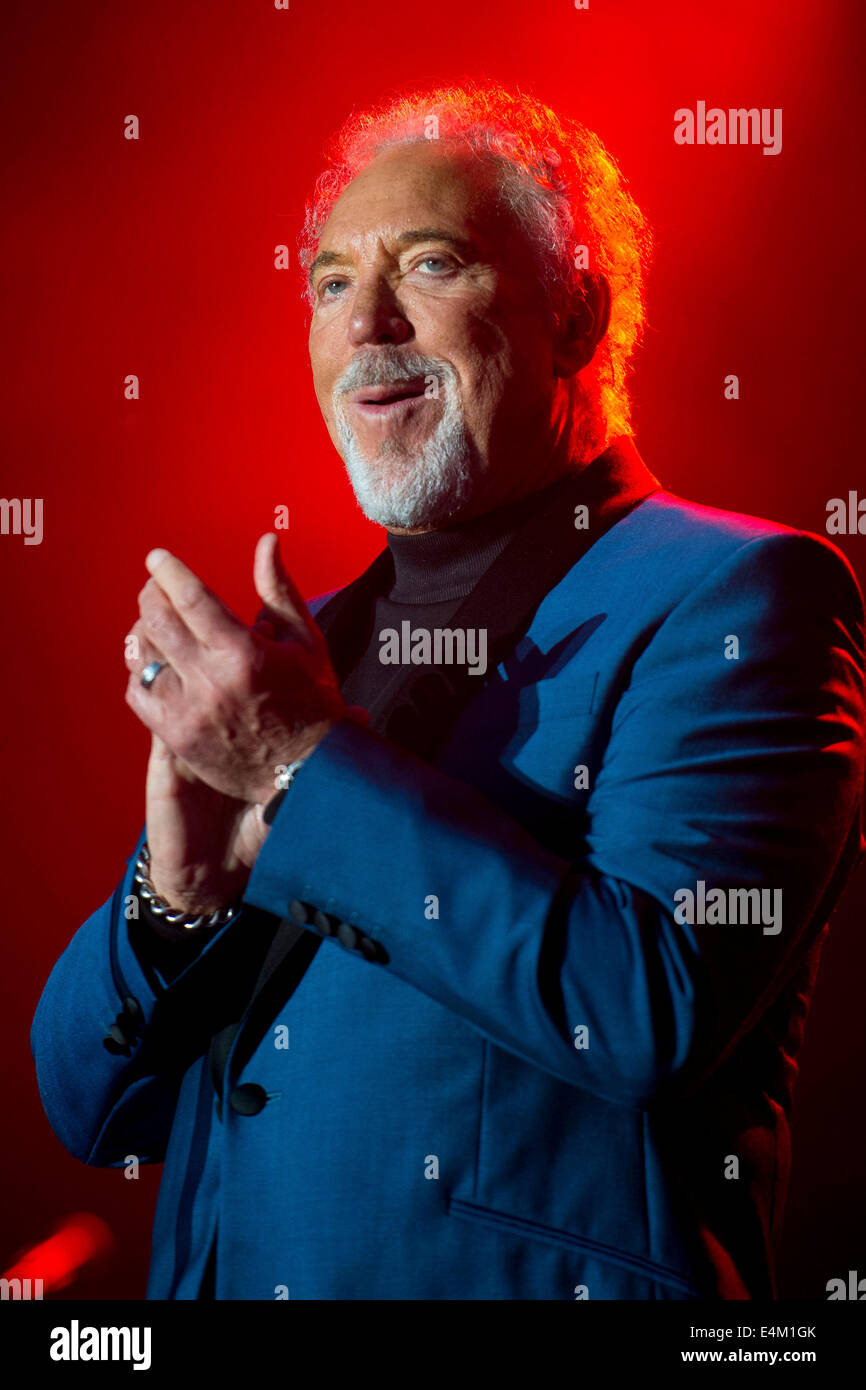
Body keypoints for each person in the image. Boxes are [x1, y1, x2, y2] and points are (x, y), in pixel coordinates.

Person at [32, 81, 865, 1300]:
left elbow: (643, 1008)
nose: (363, 322)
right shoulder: (298, 650)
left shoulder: (739, 594)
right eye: (326, 283)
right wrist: (174, 904)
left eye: (428, 264)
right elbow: (88, 1109)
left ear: (573, 313)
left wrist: (297, 773)